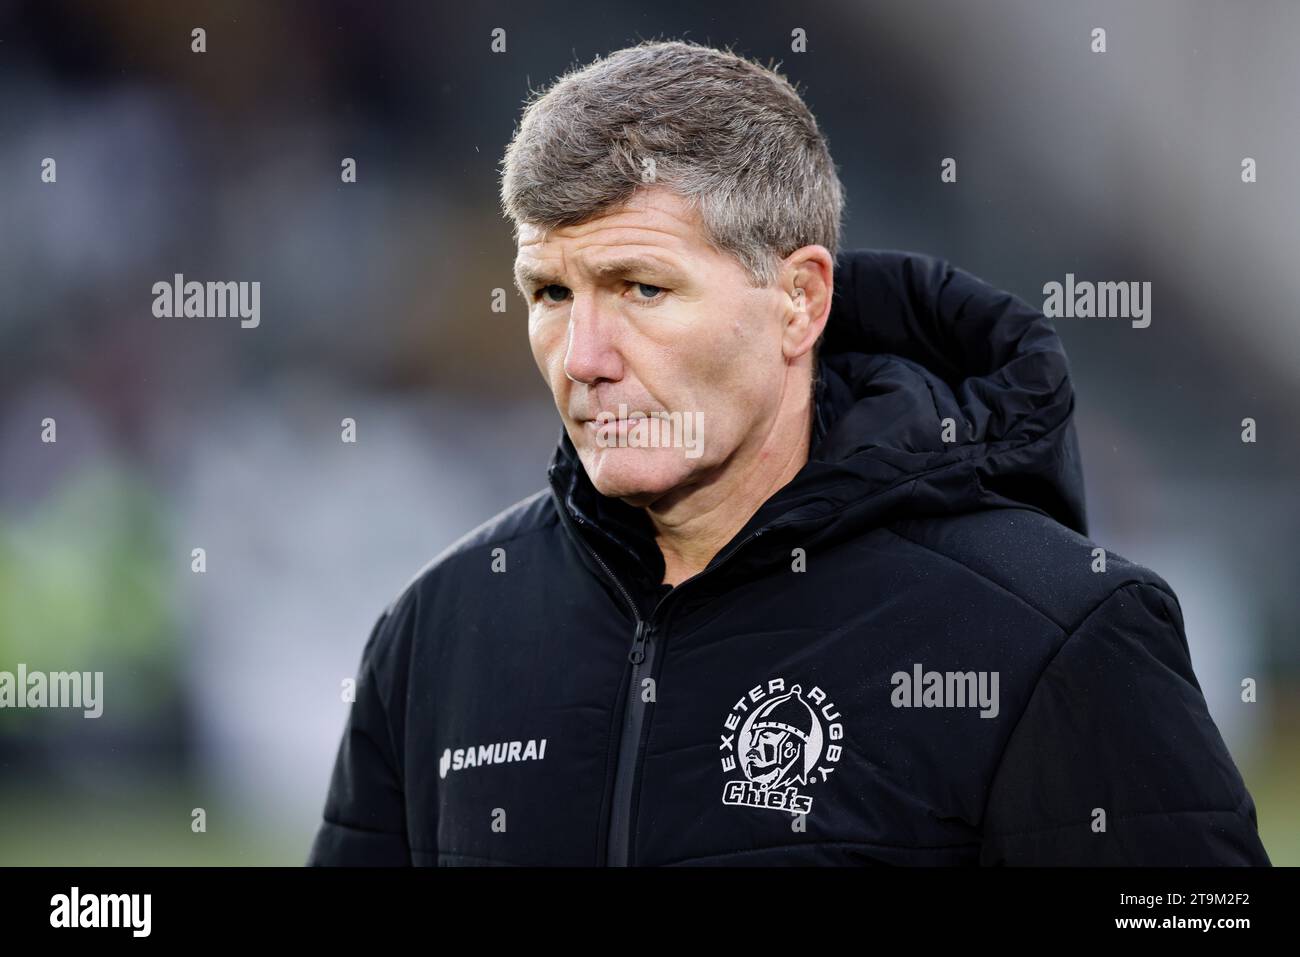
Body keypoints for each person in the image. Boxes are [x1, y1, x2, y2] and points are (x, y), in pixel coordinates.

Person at [307, 39, 1270, 866]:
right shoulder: (438, 631)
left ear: (800, 299)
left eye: (641, 287)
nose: (584, 358)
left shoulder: (1052, 633)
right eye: (551, 294)